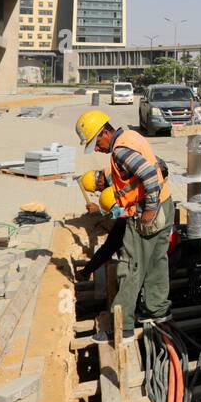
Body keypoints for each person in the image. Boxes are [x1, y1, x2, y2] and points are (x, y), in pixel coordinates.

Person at [75, 109, 175, 336]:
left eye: (96, 143)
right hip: (165, 204)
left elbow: (149, 175)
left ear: (104, 133)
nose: (98, 149)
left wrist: (148, 210)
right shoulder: (133, 137)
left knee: (130, 266)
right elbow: (160, 166)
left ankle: (122, 326)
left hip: (147, 210)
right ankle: (157, 310)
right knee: (156, 260)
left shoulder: (120, 151)